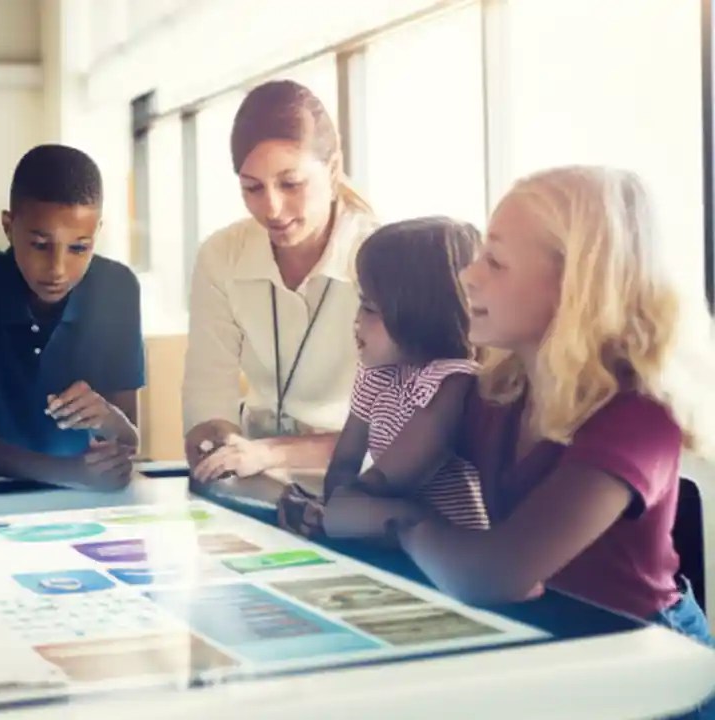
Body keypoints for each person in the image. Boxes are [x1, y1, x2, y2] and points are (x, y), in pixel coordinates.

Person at [383, 167, 713, 715]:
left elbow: (496, 572)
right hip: (555, 649)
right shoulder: (491, 394)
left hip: (654, 673)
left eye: (496, 260)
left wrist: (403, 525)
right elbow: (361, 489)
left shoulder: (639, 416)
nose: (467, 275)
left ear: (576, 286)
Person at [185, 80, 379, 489]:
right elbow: (207, 394)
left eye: (290, 184)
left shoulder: (381, 257)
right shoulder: (221, 256)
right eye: (252, 188)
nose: (271, 208)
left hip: (358, 483)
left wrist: (270, 452)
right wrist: (214, 442)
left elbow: (399, 434)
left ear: (332, 167)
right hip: (253, 477)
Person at [0, 145, 142, 490]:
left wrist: (110, 419)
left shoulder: (117, 289)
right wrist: (70, 473)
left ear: (97, 232)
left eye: (79, 247)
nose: (57, 269)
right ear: (8, 226)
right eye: (40, 244)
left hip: (78, 504)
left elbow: (127, 443)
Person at [275, 217, 491, 538]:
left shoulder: (453, 383)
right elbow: (346, 461)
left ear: (418, 312)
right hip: (381, 521)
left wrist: (334, 513)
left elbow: (391, 482)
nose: (356, 321)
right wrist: (332, 504)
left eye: (370, 308)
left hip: (443, 543)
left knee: (381, 513)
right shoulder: (378, 374)